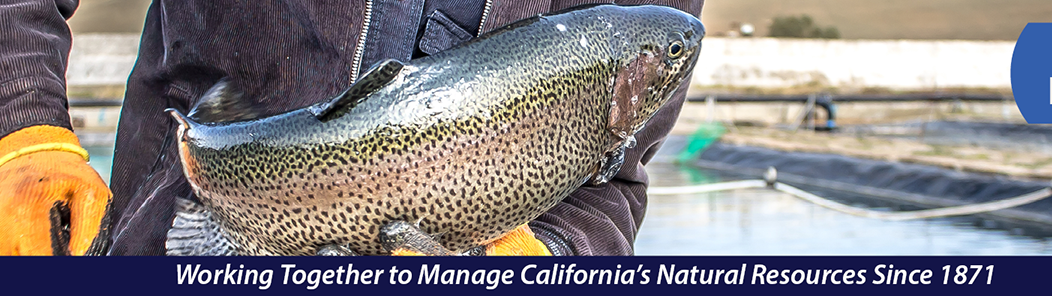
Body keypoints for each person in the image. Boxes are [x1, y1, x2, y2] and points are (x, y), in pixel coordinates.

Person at [0, 0, 703, 256]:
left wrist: (551, 254)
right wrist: (20, 121)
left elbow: (610, 183)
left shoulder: (639, 40)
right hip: (174, 238)